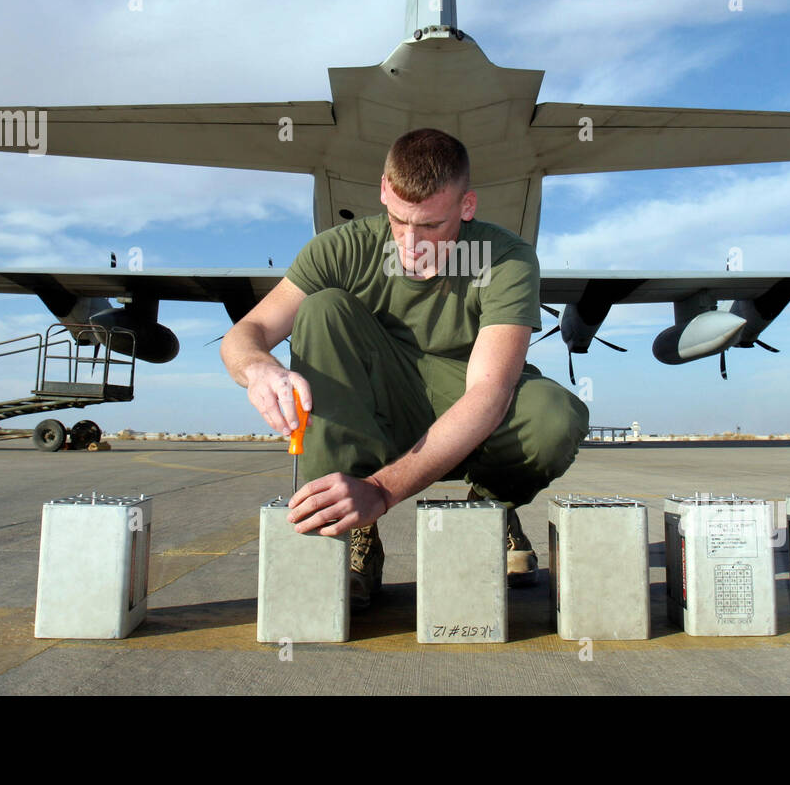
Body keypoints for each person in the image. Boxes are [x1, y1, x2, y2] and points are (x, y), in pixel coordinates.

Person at [221, 128, 589, 608]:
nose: (411, 243)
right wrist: (258, 369)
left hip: (465, 400)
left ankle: (490, 509)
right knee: (322, 309)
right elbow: (245, 334)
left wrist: (381, 488)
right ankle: (349, 532)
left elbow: (489, 394)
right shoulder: (341, 249)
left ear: (467, 206)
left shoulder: (505, 259)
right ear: (382, 193)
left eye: (432, 226)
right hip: (381, 401)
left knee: (553, 417)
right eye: (398, 220)